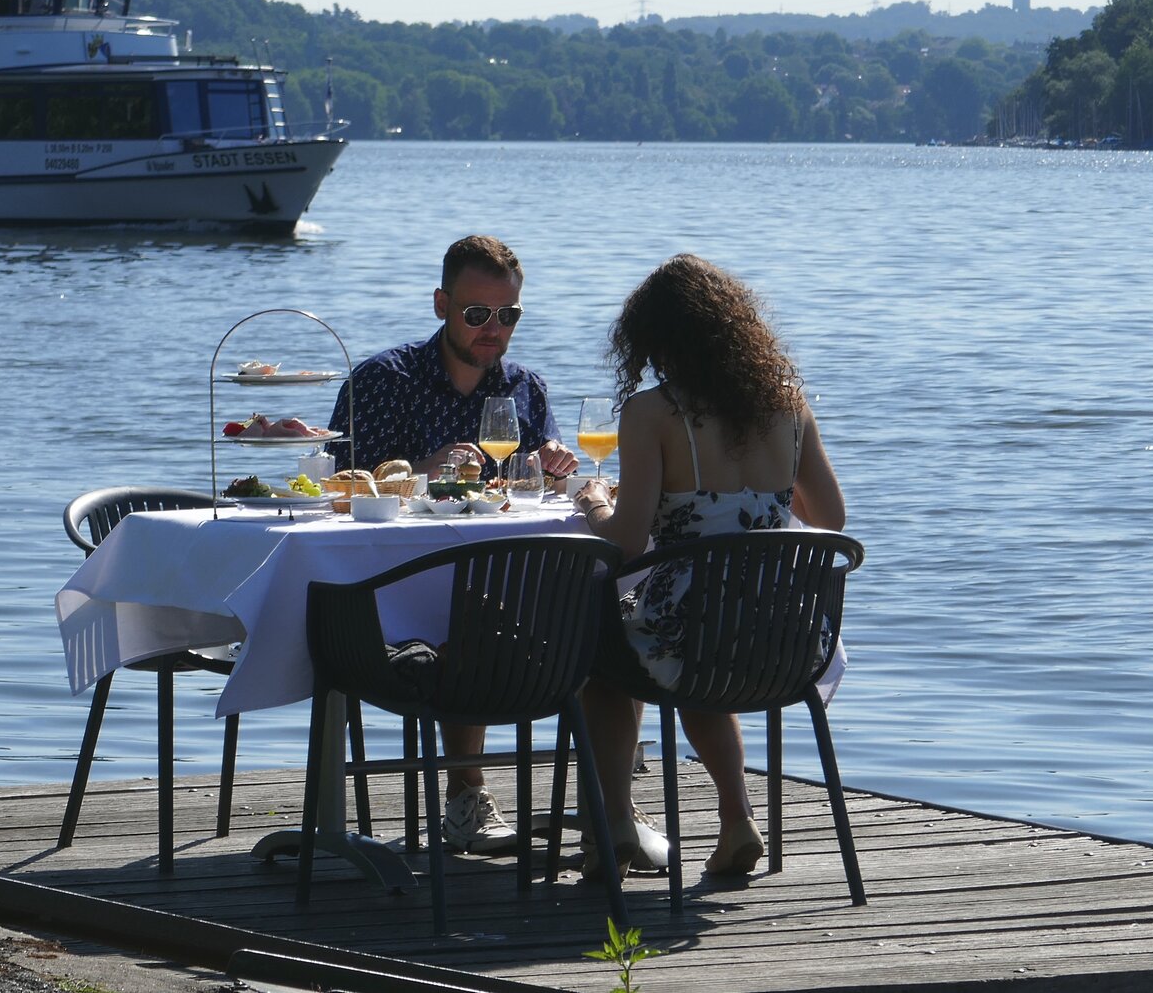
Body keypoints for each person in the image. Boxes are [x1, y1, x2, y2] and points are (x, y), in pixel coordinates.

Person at [573, 253, 846, 879]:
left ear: (655, 340)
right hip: (782, 636)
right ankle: (735, 820)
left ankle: (614, 819)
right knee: (705, 634)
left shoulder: (651, 414)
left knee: (596, 643)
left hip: (691, 632)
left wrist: (592, 505)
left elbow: (629, 543)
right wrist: (767, 499)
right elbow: (829, 518)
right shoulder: (787, 405)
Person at [326, 234, 582, 854]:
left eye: (508, 315)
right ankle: (467, 798)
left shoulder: (526, 388)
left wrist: (552, 465)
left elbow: (536, 486)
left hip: (500, 586)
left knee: (588, 608)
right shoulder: (383, 380)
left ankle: (610, 809)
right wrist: (421, 469)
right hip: (383, 592)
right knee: (473, 615)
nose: (492, 328)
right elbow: (340, 489)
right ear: (441, 305)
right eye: (476, 313)